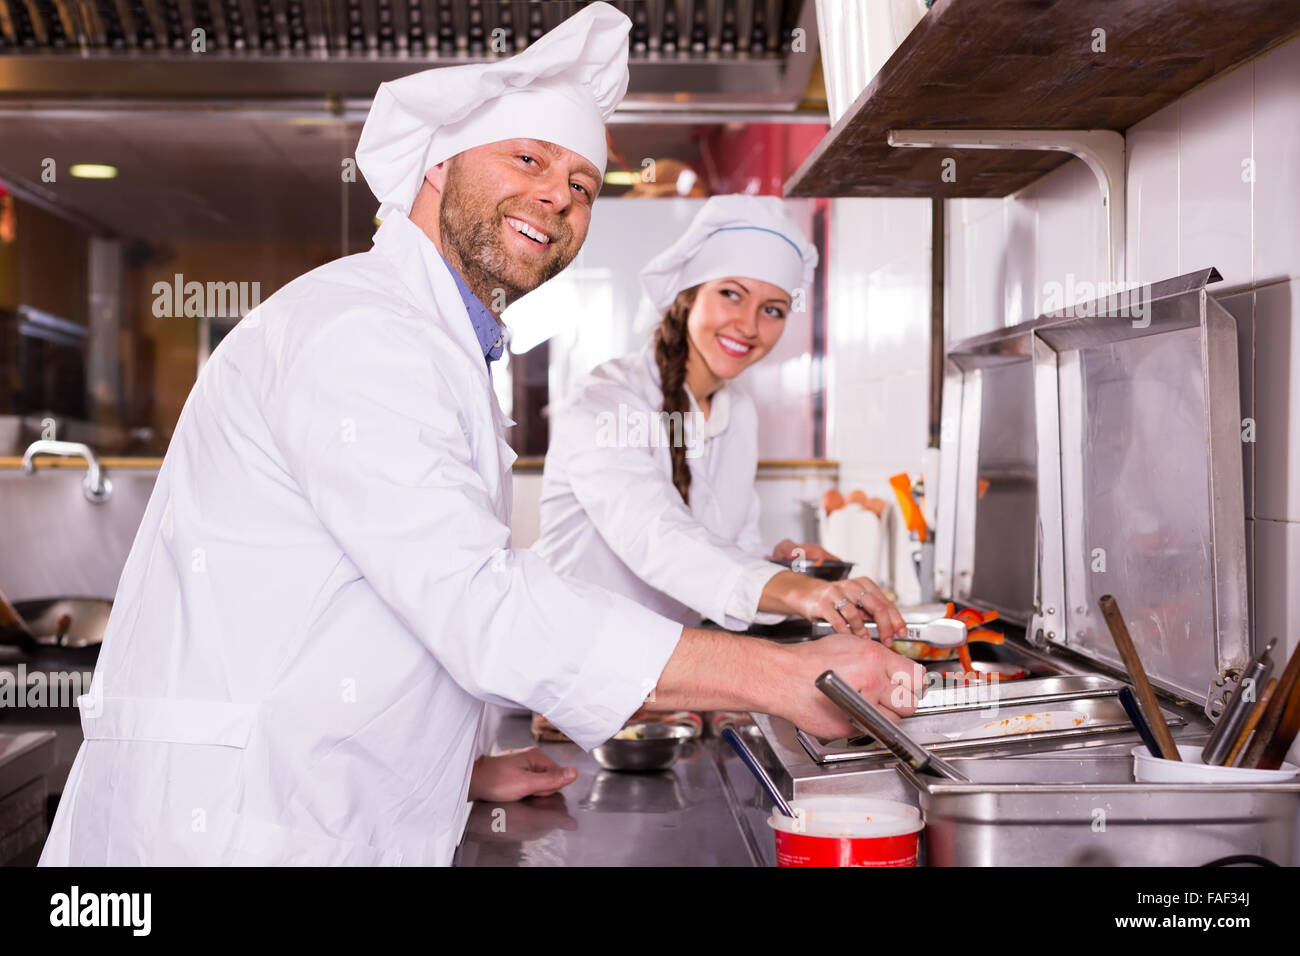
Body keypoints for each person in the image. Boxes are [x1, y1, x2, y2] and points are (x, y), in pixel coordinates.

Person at [39, 3, 922, 867]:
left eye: (583, 185)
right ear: (438, 166)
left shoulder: (442, 344)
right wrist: (788, 679)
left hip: (308, 799)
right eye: (528, 158)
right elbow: (476, 600)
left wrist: (456, 771)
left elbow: (371, 607)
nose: (558, 196)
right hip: (230, 826)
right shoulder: (362, 331)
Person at [535, 195, 906, 638]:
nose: (749, 326)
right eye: (731, 294)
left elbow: (728, 553)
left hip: (670, 670)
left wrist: (781, 569)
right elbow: (659, 538)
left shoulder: (739, 414)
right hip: (577, 666)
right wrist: (792, 591)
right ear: (689, 296)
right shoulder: (606, 403)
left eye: (773, 310)